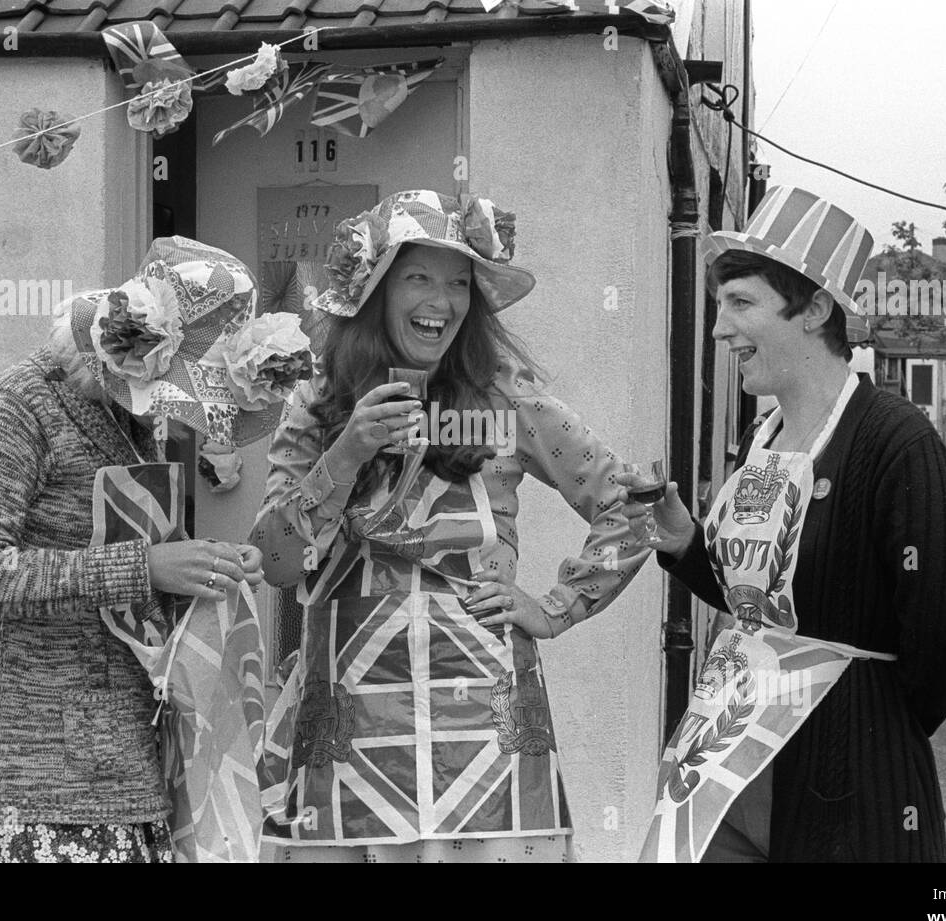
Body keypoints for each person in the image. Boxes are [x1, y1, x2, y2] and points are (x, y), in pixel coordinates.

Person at [249, 190, 648, 863]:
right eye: (419, 277)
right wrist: (345, 453)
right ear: (375, 291)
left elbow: (634, 505)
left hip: (486, 732)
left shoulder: (507, 397)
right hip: (350, 730)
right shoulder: (316, 404)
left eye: (459, 282)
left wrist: (555, 606)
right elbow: (276, 562)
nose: (443, 300)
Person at [624, 186, 946, 863]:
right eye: (718, 306)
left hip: (843, 796)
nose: (718, 329)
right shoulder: (762, 438)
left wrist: (870, 728)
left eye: (741, 303)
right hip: (726, 782)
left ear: (816, 306)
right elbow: (764, 603)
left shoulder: (896, 443)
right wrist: (684, 544)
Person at [0, 237, 278, 863]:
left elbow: (121, 547)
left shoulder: (129, 417)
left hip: (116, 755)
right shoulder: (16, 410)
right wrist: (146, 568)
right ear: (125, 352)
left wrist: (200, 564)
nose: (164, 407)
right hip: (24, 776)